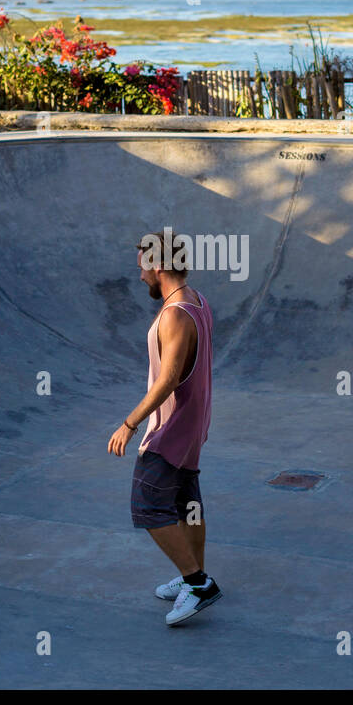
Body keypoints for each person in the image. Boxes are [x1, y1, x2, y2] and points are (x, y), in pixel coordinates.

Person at [107, 229, 220, 626]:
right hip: (194, 422)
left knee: (149, 506)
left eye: (142, 268)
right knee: (187, 501)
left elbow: (168, 379)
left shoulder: (174, 315)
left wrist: (130, 423)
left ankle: (197, 581)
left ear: (158, 266)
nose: (140, 277)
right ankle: (195, 577)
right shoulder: (198, 301)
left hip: (170, 426)